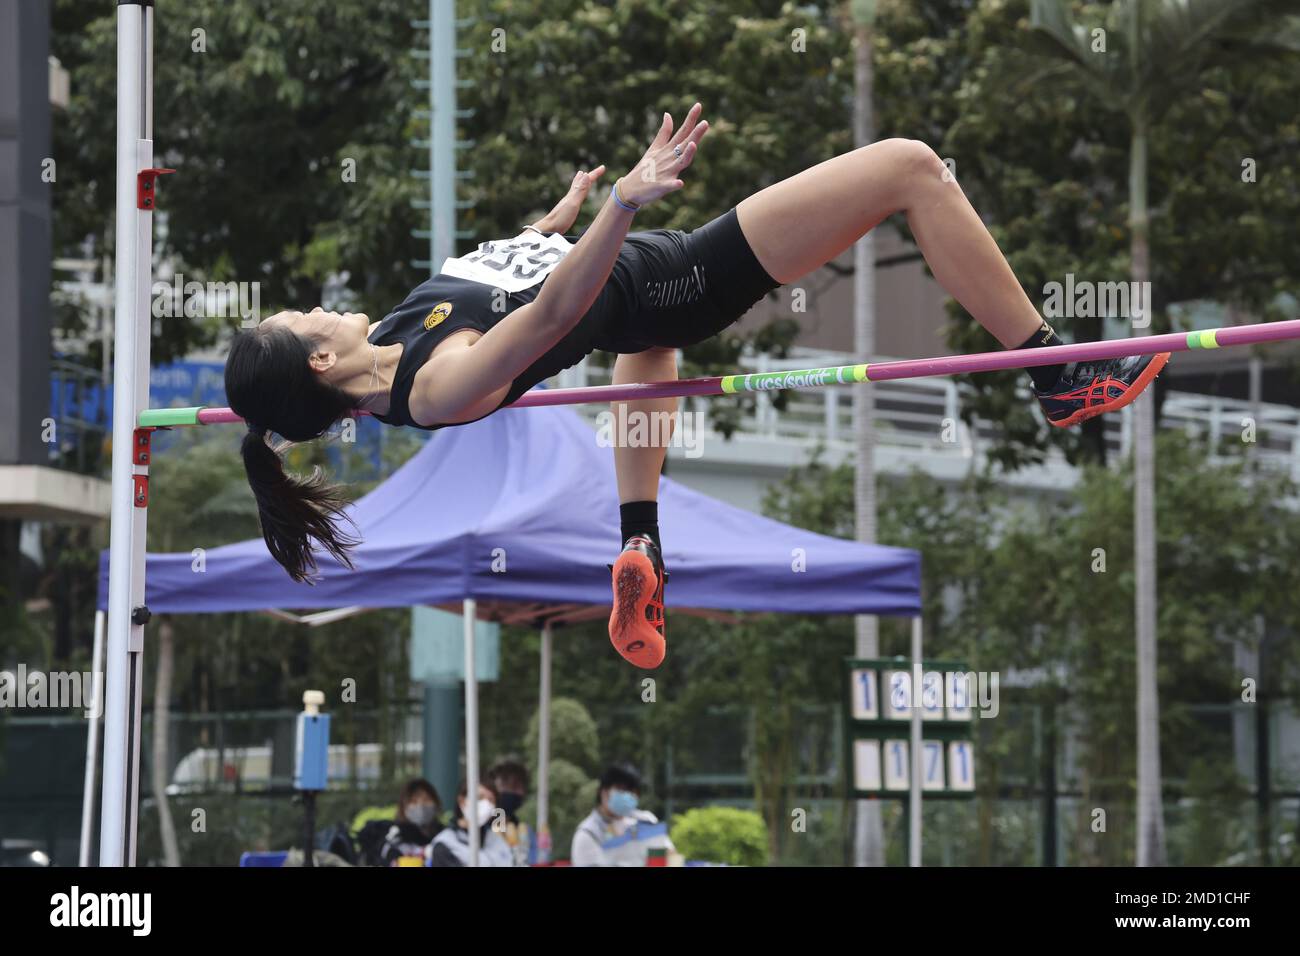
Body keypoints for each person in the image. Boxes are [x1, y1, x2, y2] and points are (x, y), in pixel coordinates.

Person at [224, 103, 1169, 670]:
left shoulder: (396, 335)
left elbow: (506, 280)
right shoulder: (432, 392)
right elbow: (549, 319)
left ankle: (641, 546)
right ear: (317, 365)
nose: (315, 307)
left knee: (650, 352)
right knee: (910, 167)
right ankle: (1057, 371)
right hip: (666, 276)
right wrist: (623, 206)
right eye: (301, 320)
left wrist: (554, 220)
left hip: (639, 303)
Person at [571, 764, 674, 867]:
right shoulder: (588, 833)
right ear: (603, 792)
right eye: (621, 789)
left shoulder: (646, 821)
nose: (627, 795)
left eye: (633, 792)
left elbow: (670, 857)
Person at [427, 778, 513, 867]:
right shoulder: (445, 844)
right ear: (462, 801)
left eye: (491, 800)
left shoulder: (498, 841)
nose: (486, 804)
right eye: (479, 797)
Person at [375, 778, 444, 867]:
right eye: (414, 802)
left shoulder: (445, 835)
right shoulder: (396, 836)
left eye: (426, 800)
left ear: (436, 803)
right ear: (404, 807)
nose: (421, 806)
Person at [487, 757, 532, 866]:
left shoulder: (519, 826)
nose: (520, 792)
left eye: (521, 787)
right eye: (514, 786)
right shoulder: (485, 824)